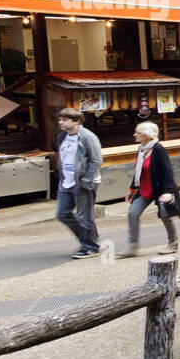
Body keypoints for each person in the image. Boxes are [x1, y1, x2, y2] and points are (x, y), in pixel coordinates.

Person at [122, 121, 180, 257]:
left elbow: (168, 172)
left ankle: (173, 243)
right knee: (133, 213)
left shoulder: (158, 149)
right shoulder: (141, 149)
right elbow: (139, 172)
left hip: (160, 189)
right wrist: (131, 190)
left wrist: (168, 192)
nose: (134, 134)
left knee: (165, 215)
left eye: (138, 132)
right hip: (144, 189)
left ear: (148, 135)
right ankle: (132, 247)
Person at [55, 107, 102, 259]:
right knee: (62, 213)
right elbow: (63, 158)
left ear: (76, 121)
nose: (60, 122)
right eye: (60, 119)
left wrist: (86, 180)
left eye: (64, 120)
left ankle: (91, 246)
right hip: (66, 182)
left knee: (84, 216)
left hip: (83, 182)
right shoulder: (62, 136)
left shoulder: (87, 137)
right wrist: (62, 179)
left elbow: (96, 160)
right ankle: (89, 238)